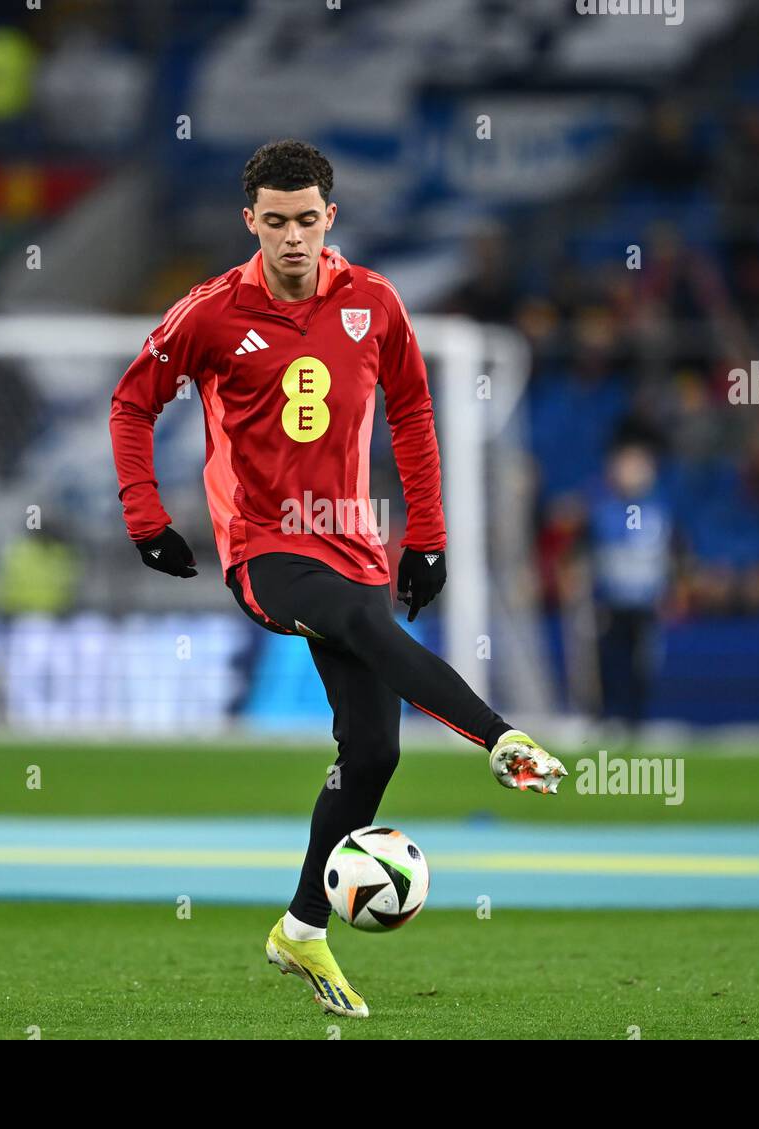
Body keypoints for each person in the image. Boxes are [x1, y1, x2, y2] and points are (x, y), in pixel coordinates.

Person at [109, 139, 566, 1019]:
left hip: (355, 544)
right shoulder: (208, 315)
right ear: (251, 221)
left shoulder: (373, 303)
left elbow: (412, 409)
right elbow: (134, 401)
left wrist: (427, 537)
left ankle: (302, 927)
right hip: (265, 549)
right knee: (367, 629)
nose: (291, 237)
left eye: (306, 220)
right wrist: (146, 517)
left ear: (330, 219)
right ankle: (503, 739)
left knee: (375, 753)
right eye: (274, 221)